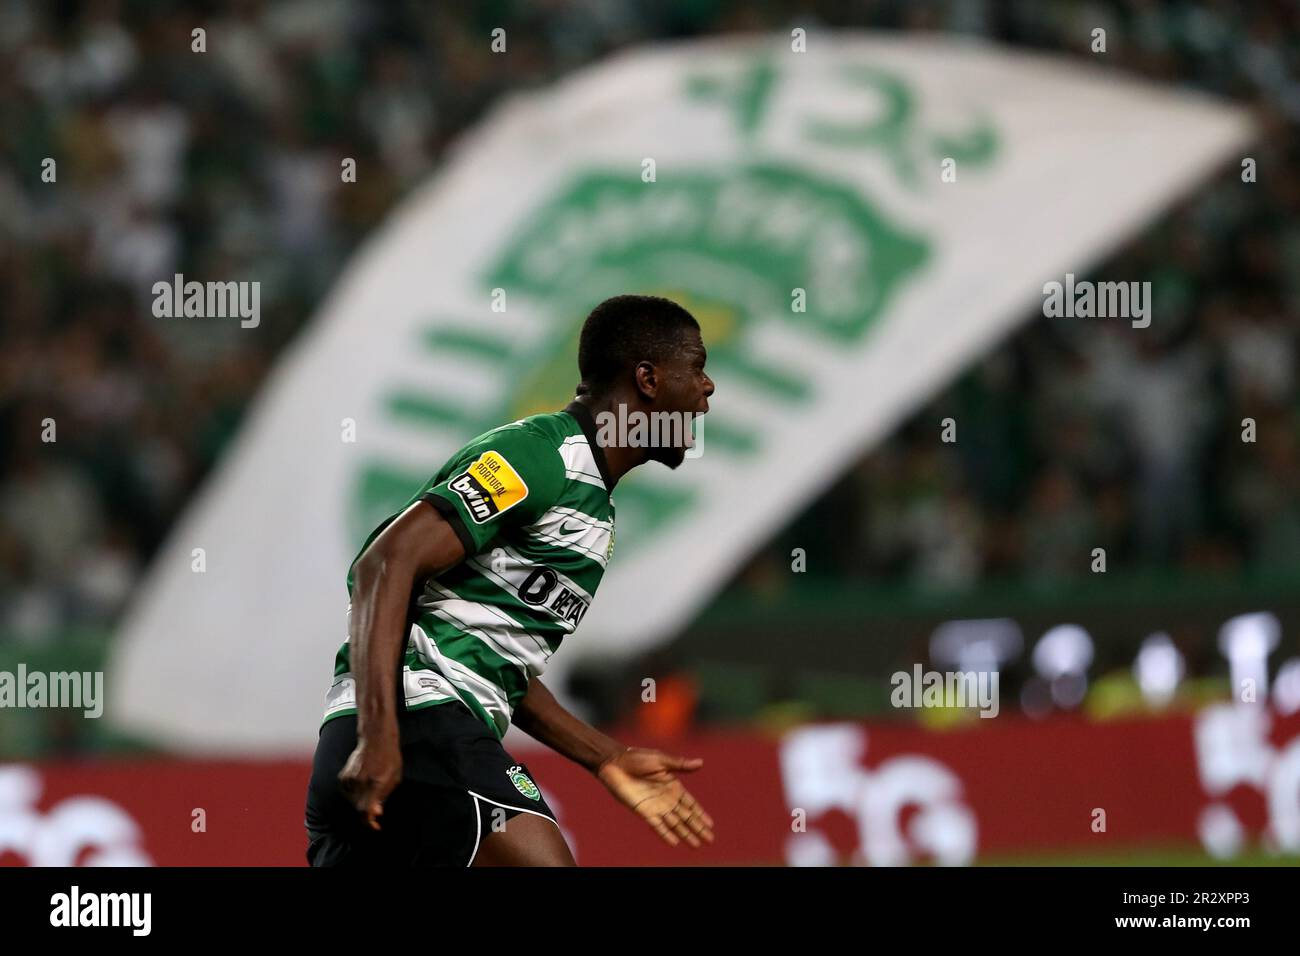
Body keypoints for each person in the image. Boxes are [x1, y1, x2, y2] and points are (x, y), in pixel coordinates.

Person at [305, 294, 716, 865]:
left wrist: (605, 756)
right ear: (647, 379)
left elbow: (497, 662)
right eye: (696, 367)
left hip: (379, 746)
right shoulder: (539, 457)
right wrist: (380, 737)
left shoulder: (594, 512)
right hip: (418, 727)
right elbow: (383, 562)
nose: (708, 387)